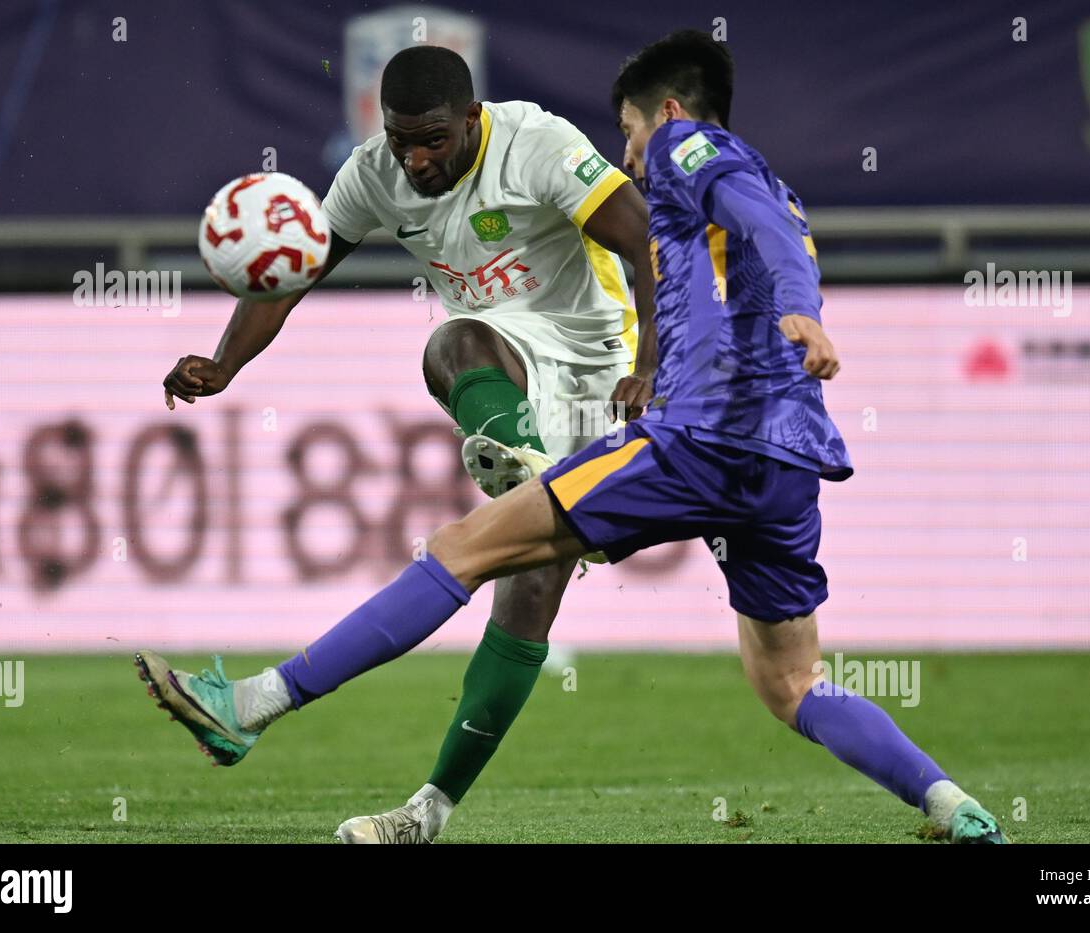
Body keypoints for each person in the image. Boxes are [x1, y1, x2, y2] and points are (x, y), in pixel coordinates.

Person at [143, 31, 1005, 844]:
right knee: (789, 682)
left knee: (460, 547)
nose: (625, 152)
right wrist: (224, 363)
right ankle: (954, 803)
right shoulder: (769, 183)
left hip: (673, 421)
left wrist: (753, 333)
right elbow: (757, 234)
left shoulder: (678, 148)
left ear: (664, 114)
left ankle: (255, 703)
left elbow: (698, 240)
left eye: (628, 129)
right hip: (782, 455)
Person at [147, 44, 658, 842]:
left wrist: (655, 362)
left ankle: (405, 789)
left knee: (528, 594)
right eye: (401, 141)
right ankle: (419, 813)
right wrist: (224, 362)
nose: (416, 160)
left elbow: (646, 239)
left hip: (598, 362)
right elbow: (295, 274)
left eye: (434, 140)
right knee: (449, 343)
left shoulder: (538, 143)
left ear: (471, 119)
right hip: (506, 355)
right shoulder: (371, 174)